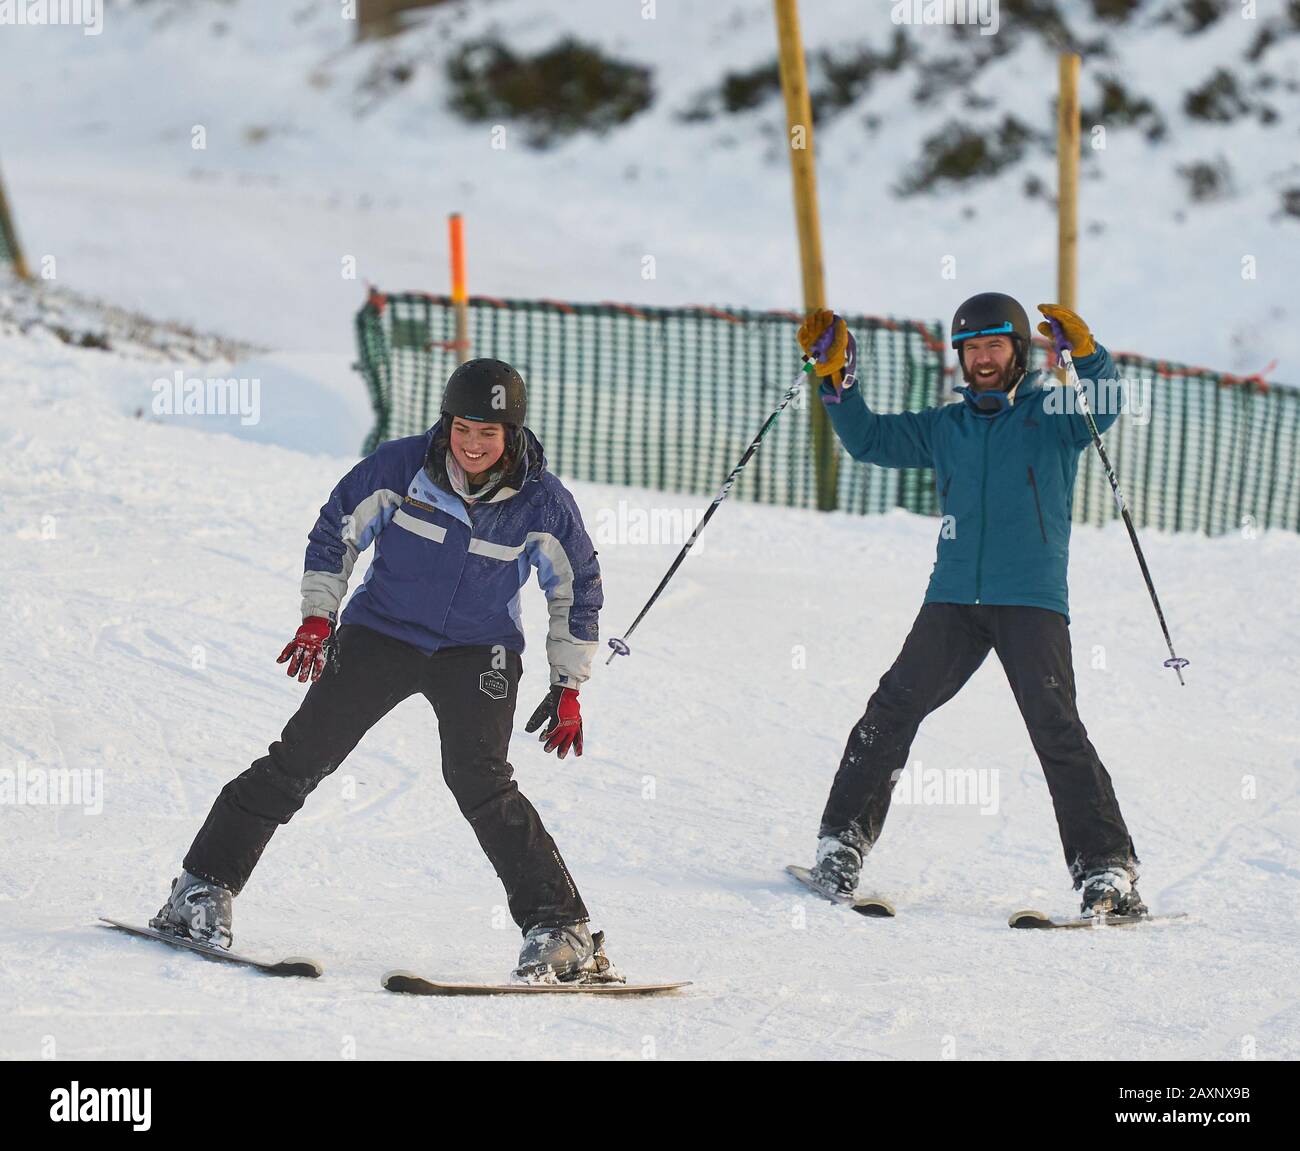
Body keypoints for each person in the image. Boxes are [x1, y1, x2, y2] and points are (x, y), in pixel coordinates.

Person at [152, 358, 613, 981]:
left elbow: (576, 589)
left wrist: (568, 685)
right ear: (446, 423)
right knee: (299, 758)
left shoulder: (542, 502)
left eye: (489, 433)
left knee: (482, 782)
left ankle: (561, 931)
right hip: (381, 633)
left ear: (512, 433)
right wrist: (320, 617)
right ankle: (198, 892)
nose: (473, 445)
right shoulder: (401, 467)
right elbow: (335, 531)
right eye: (463, 429)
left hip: (481, 649)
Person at [796, 294, 1145, 918]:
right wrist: (837, 383)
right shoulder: (946, 426)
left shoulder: (1054, 415)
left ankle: (1108, 872)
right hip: (954, 598)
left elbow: (1110, 402)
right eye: (972, 349)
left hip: (1030, 599)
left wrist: (1089, 356)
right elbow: (870, 439)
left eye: (995, 346)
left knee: (1055, 729)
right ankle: (841, 846)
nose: (982, 360)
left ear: (1019, 351)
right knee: (890, 710)